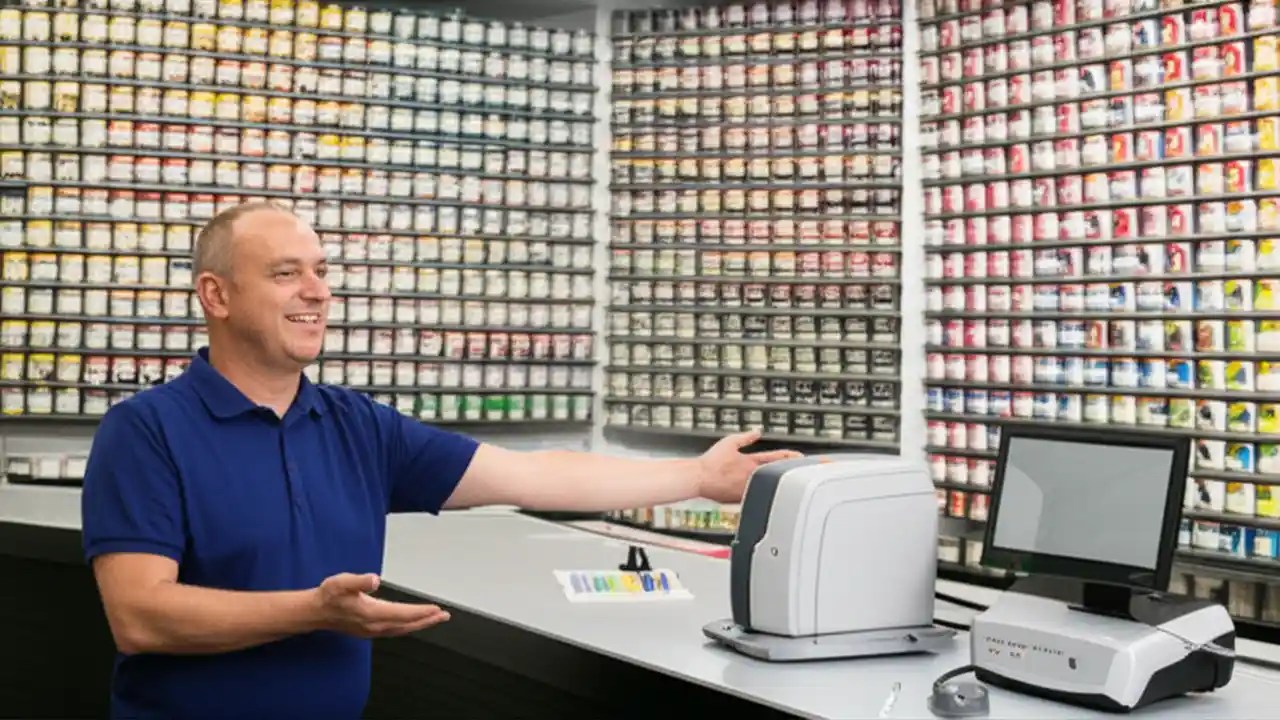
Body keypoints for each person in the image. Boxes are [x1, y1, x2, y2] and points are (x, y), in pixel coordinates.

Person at [80, 201, 801, 720]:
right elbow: (142, 617)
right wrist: (313, 612)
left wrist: (697, 478)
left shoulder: (356, 426)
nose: (318, 292)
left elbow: (535, 474)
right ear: (216, 295)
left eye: (323, 271)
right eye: (286, 273)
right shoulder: (146, 432)